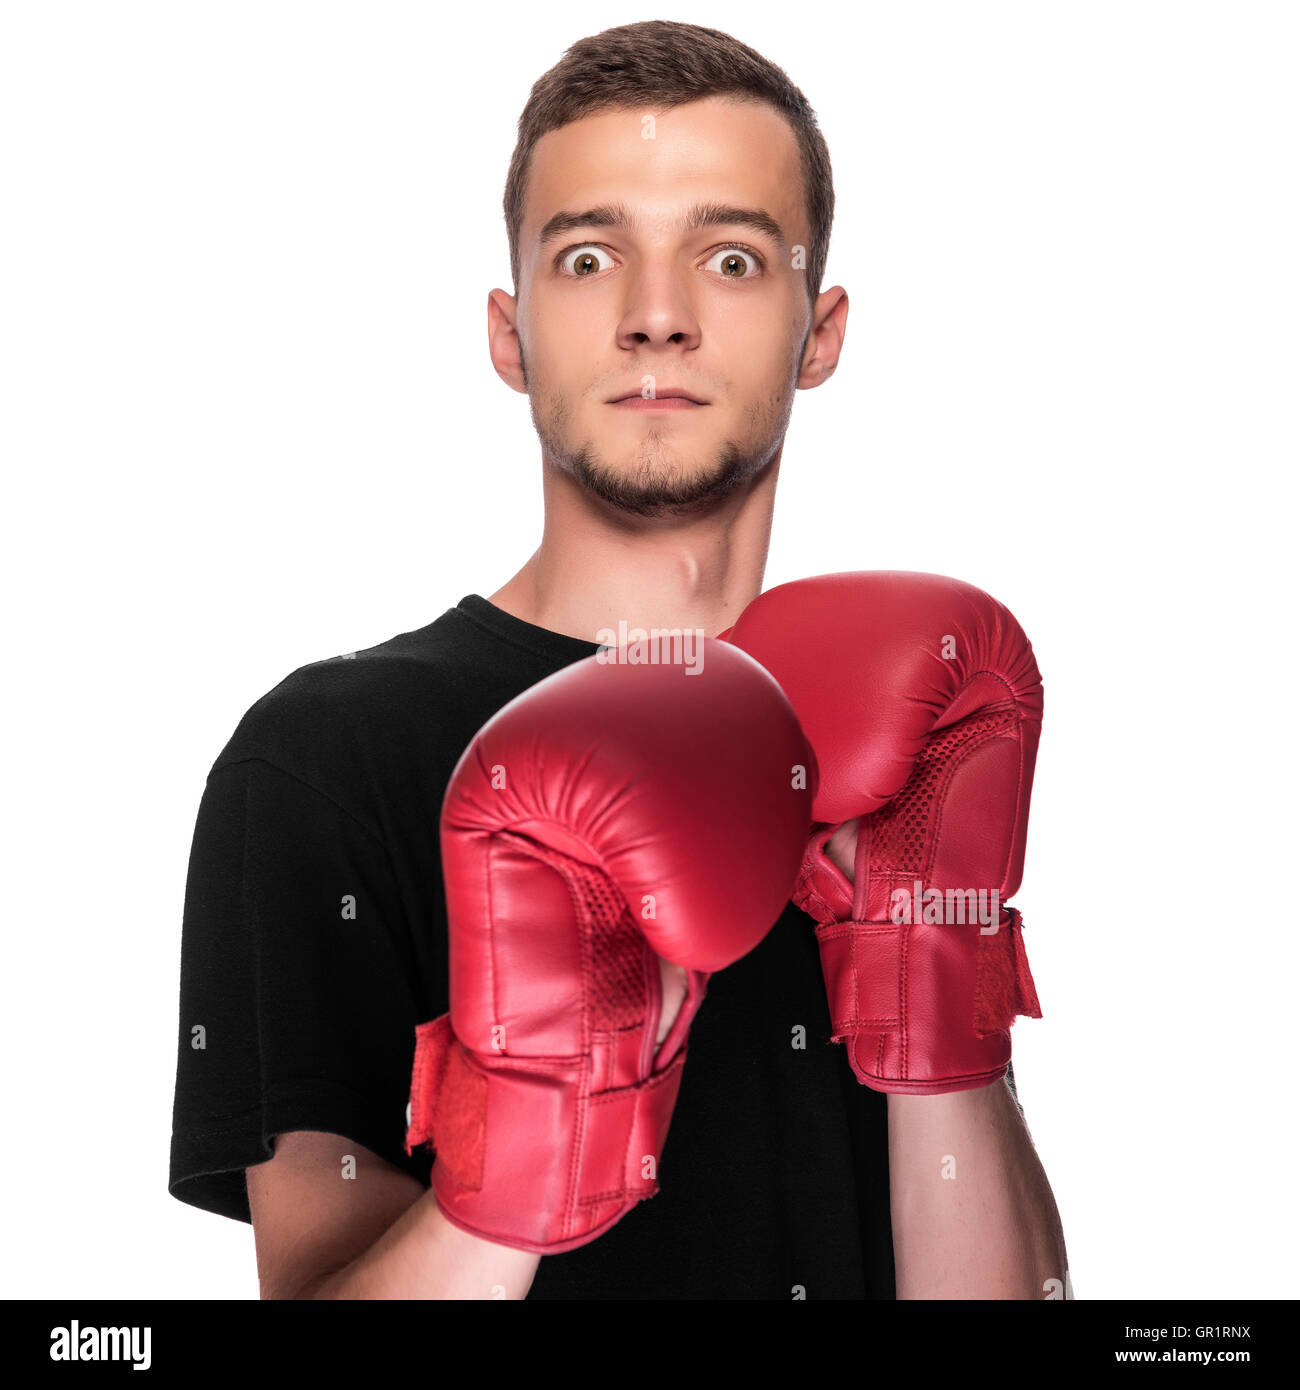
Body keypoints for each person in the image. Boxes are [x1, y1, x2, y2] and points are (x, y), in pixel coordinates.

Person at [168, 18, 1068, 1300]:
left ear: (820, 335)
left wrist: (937, 997)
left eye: (731, 257)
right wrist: (529, 1143)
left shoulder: (897, 724)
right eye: (590, 258)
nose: (658, 317)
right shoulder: (322, 758)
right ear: (510, 333)